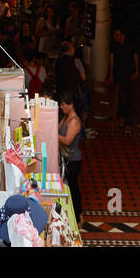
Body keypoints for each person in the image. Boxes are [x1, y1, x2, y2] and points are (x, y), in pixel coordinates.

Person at [56, 92, 83, 222]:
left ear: (71, 105)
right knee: (71, 186)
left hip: (73, 160)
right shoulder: (66, 117)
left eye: (63, 104)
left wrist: (53, 135)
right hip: (66, 159)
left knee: (73, 187)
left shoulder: (74, 121)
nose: (61, 106)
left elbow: (67, 140)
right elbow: (57, 129)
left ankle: (78, 216)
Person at [108, 27, 139, 130]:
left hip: (129, 75)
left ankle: (128, 121)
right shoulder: (114, 45)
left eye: (117, 35)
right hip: (118, 75)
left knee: (129, 97)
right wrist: (111, 74)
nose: (115, 37)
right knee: (120, 97)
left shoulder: (130, 44)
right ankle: (121, 118)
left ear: (122, 35)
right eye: (114, 35)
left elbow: (135, 57)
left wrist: (136, 71)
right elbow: (112, 59)